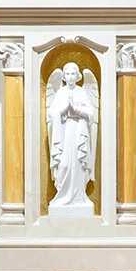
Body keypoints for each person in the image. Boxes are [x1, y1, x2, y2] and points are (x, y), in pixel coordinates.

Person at [46, 62, 98, 210]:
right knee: (64, 164)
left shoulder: (82, 92)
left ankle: (80, 196)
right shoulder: (61, 92)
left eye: (72, 74)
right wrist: (64, 109)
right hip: (63, 131)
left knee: (79, 163)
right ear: (63, 76)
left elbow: (90, 114)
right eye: (67, 74)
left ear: (77, 76)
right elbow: (52, 112)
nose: (70, 77)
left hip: (79, 131)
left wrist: (76, 108)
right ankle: (62, 196)